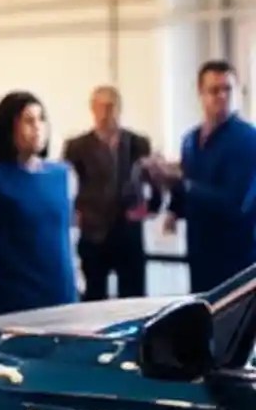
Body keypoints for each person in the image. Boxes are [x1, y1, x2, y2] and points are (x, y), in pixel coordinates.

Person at [0, 92, 78, 316]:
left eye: (41, 119)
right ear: (10, 127)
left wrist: (77, 276)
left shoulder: (63, 174)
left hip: (59, 289)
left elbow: (70, 232)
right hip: (13, 294)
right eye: (28, 120)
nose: (37, 127)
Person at [148, 59, 256, 292]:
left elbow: (238, 203)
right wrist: (173, 210)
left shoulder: (248, 139)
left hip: (237, 254)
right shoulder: (190, 140)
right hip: (199, 250)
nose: (222, 96)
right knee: (203, 318)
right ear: (201, 93)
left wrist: (180, 183)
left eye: (228, 89)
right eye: (214, 90)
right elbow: (188, 185)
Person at [63, 86, 158, 301]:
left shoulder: (138, 143)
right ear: (92, 109)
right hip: (93, 231)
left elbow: (153, 179)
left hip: (128, 230)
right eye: (101, 107)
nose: (106, 113)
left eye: (111, 107)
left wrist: (151, 207)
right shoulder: (77, 147)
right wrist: (73, 215)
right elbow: (69, 186)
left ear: (119, 109)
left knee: (133, 298)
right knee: (93, 298)